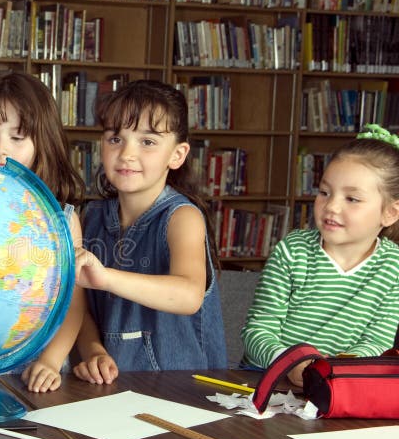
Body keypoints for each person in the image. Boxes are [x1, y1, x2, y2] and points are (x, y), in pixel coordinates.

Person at [71, 79, 226, 384]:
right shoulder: (91, 217)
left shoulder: (181, 217)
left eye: (148, 141)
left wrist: (106, 278)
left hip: (184, 389)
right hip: (109, 389)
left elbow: (188, 295)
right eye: (115, 138)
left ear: (177, 155)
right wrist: (93, 352)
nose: (127, 154)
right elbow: (81, 306)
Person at [0, 71, 86, 392]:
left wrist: (51, 361)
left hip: (37, 372)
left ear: (43, 143)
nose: (0, 150)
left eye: (17, 138)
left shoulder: (64, 220)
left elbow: (73, 303)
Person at [242, 124, 399, 387]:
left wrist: (332, 369)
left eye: (352, 199)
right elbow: (257, 332)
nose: (331, 206)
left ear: (390, 213)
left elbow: (376, 342)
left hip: (337, 382)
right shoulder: (293, 252)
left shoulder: (394, 266)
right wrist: (293, 364)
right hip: (266, 377)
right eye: (324, 192)